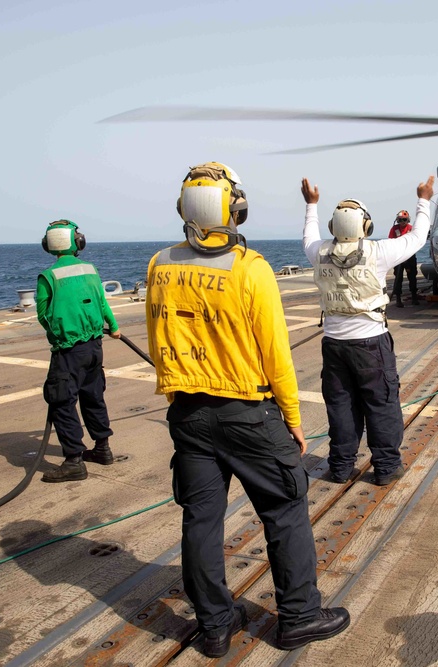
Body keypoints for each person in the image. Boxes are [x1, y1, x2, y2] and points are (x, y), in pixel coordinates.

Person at [146, 162, 349, 658]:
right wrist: (293, 421)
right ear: (235, 209)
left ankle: (214, 626)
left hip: (188, 413)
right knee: (284, 510)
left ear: (182, 209)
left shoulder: (159, 265)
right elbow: (276, 354)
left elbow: (159, 337)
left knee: (200, 519)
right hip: (248, 415)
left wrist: (179, 399)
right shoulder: (251, 268)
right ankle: (299, 617)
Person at [300, 175, 434, 487]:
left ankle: (341, 467)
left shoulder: (318, 252)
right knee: (382, 405)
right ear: (366, 227)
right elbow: (418, 237)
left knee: (341, 407)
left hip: (334, 345)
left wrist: (311, 205)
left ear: (333, 228)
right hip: (371, 344)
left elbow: (308, 237)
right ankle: (386, 468)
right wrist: (423, 199)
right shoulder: (379, 253)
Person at [36, 220, 121, 483]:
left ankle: (74, 460)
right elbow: (102, 302)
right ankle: (103, 449)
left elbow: (43, 315)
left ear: (48, 245)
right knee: (93, 396)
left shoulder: (49, 276)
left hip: (68, 350)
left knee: (62, 402)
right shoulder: (90, 270)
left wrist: (58, 337)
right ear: (78, 242)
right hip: (95, 347)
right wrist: (114, 327)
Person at [388, 209, 420, 307]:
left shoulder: (411, 229)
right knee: (398, 278)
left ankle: (414, 297)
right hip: (398, 257)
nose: (402, 222)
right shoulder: (394, 229)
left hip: (409, 256)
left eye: (404, 220)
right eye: (400, 220)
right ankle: (398, 299)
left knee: (412, 277)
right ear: (397, 220)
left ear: (408, 220)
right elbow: (390, 242)